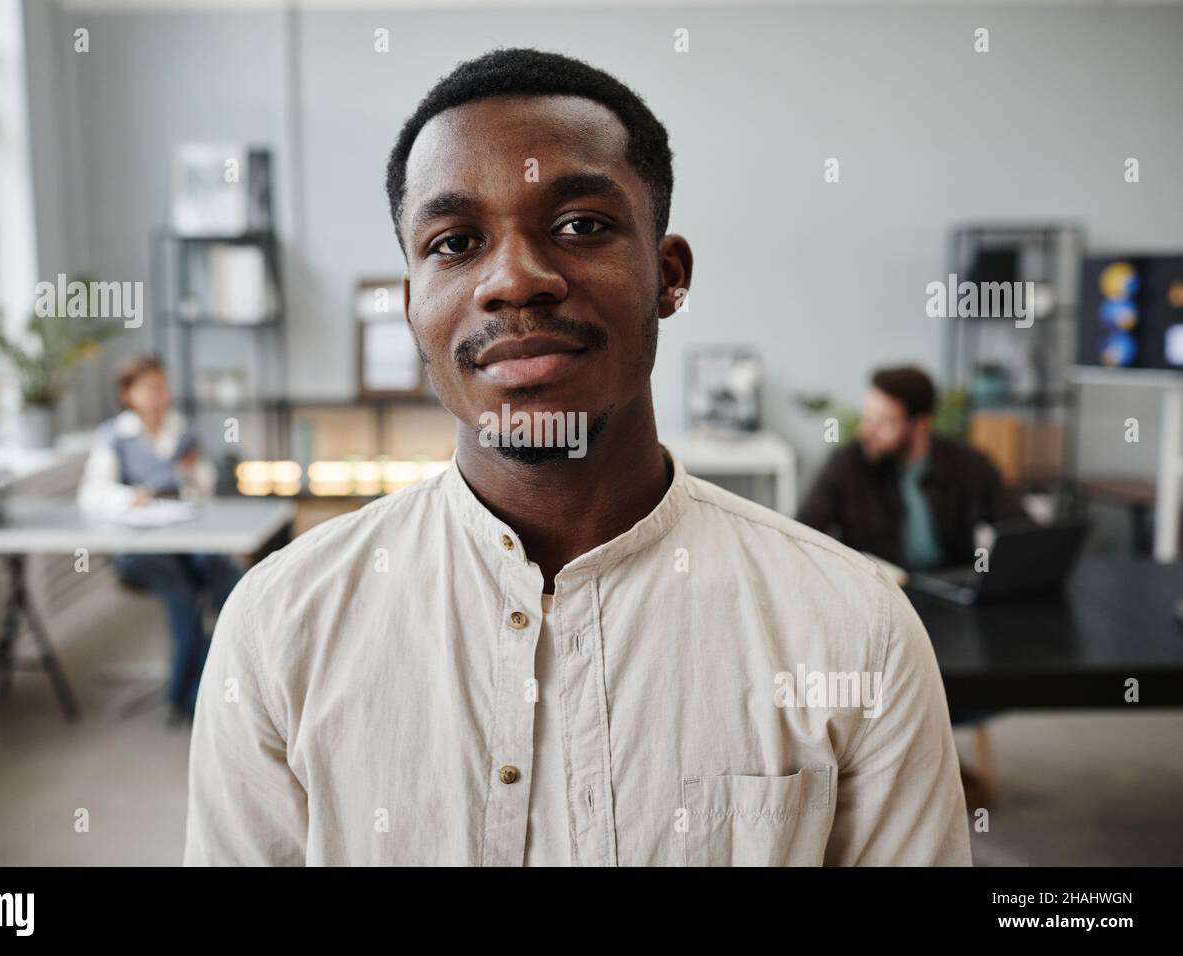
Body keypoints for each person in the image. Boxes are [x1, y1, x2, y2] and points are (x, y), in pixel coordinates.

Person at [184, 49, 971, 866]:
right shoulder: (279, 627)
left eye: (582, 226)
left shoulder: (853, 629)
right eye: (455, 242)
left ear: (669, 277)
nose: (515, 280)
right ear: (412, 302)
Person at [78, 354, 243, 722]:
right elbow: (91, 494)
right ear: (128, 393)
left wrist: (188, 474)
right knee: (183, 597)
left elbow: (204, 491)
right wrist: (127, 497)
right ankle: (186, 698)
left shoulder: (182, 431)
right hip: (142, 549)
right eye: (151, 388)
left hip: (183, 538)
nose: (161, 396)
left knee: (228, 578)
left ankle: (218, 673)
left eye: (164, 387)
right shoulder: (113, 436)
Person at [797, 366, 1033, 571]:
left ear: (920, 424)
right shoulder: (847, 465)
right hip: (878, 597)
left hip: (948, 594)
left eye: (883, 422)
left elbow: (1020, 531)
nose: (867, 431)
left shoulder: (968, 465)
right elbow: (800, 534)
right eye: (868, 418)